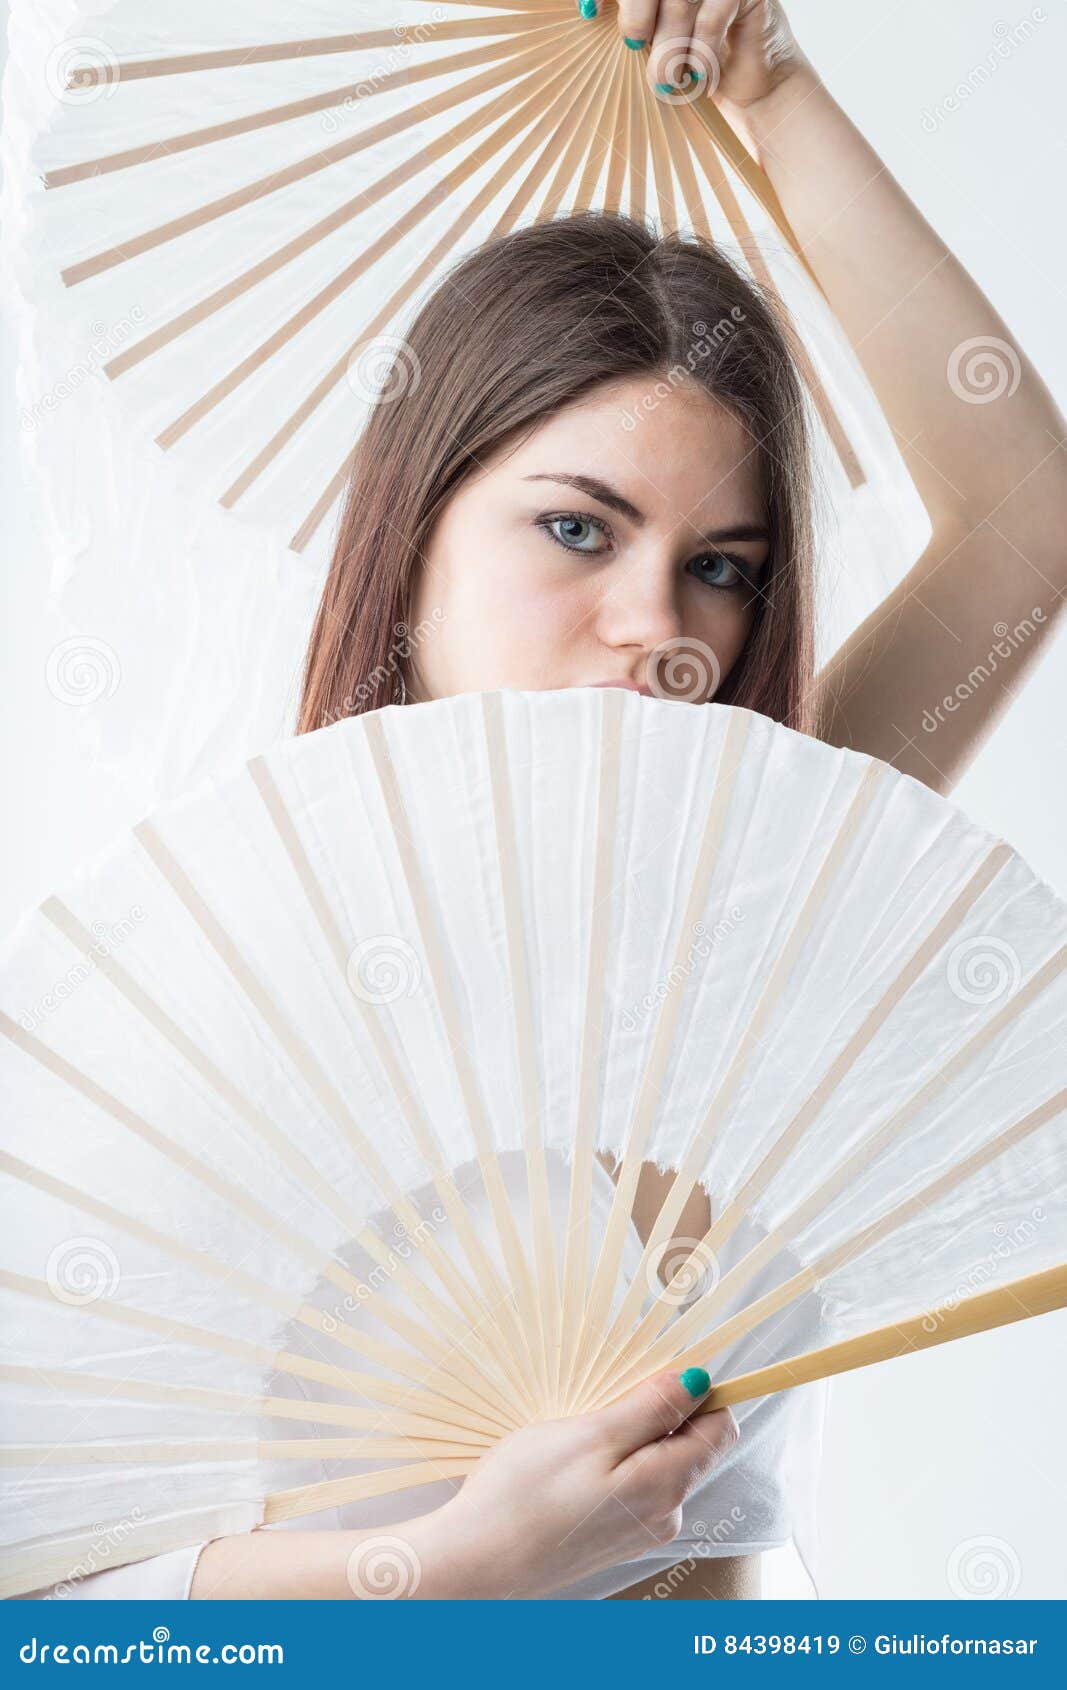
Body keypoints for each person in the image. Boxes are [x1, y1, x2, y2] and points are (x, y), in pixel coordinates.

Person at [43, 0, 1066, 1600]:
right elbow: (52, 1591)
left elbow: (1022, 516)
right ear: (412, 541)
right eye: (578, 531)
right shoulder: (226, 977)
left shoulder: (763, 894)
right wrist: (441, 1570)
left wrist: (771, 84)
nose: (662, 628)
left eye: (721, 567)